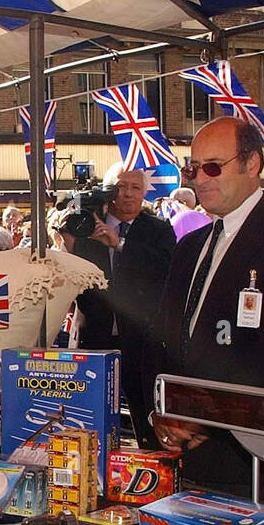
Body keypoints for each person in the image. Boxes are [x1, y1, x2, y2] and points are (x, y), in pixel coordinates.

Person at [152, 117, 264, 510]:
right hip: (188, 454)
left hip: (258, 456)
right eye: (193, 168)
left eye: (213, 166)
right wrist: (163, 411)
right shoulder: (189, 245)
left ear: (252, 164)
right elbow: (165, 338)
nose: (200, 178)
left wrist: (202, 416)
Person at [79, 164, 175, 446]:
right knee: (92, 417)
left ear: (145, 192)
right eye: (121, 187)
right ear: (109, 191)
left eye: (135, 188)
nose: (128, 195)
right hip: (96, 336)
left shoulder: (158, 229)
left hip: (141, 338)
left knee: (145, 412)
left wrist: (120, 243)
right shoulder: (87, 227)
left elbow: (165, 269)